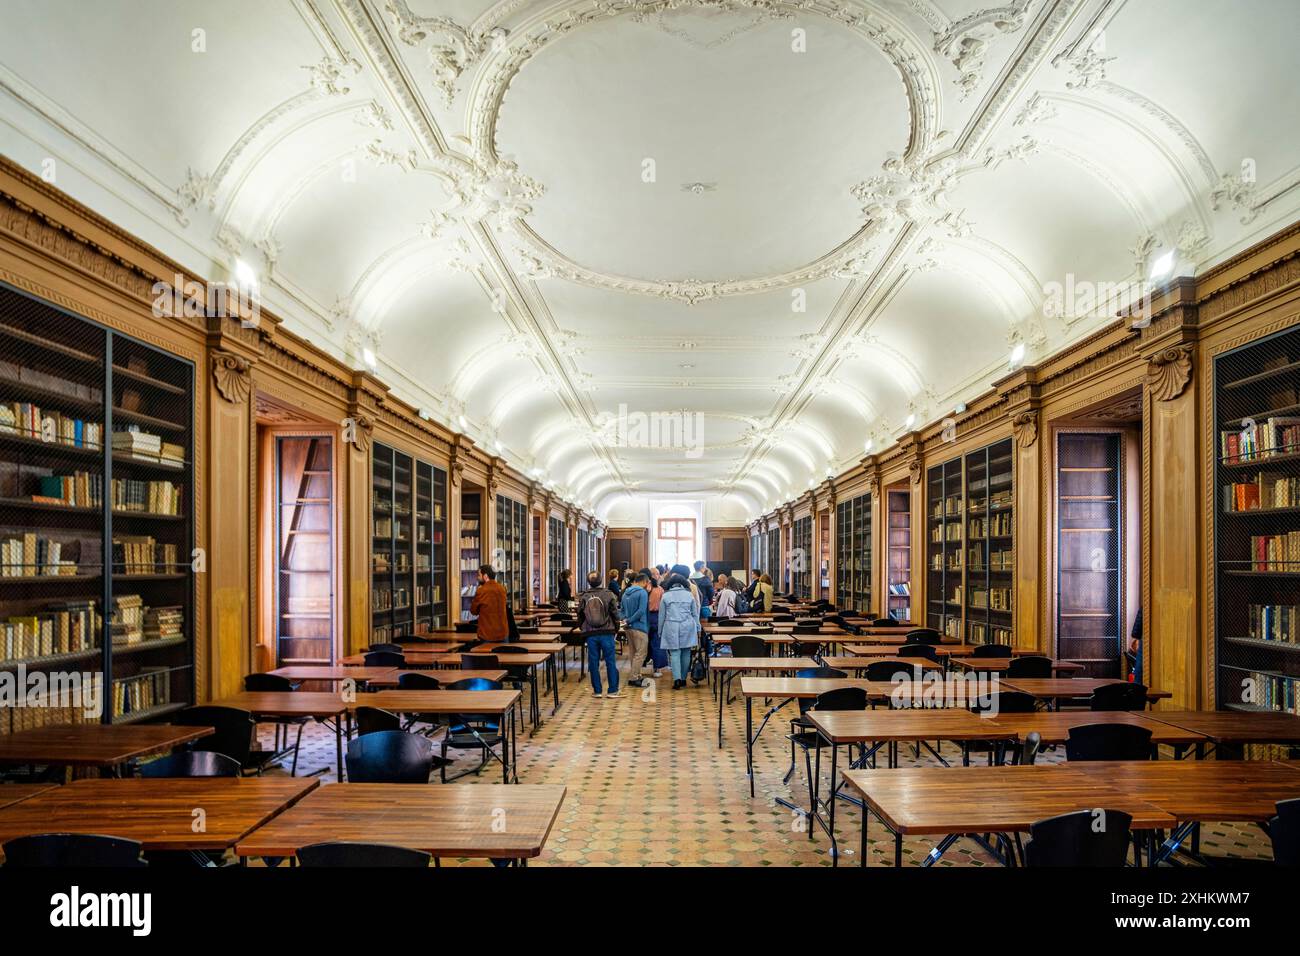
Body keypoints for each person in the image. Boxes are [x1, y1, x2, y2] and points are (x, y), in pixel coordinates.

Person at [579, 570, 621, 698]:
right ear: (601, 580)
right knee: (610, 661)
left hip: (591, 632)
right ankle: (613, 690)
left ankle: (597, 691)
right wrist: (616, 627)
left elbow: (580, 614)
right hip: (607, 631)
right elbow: (615, 613)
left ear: (588, 582)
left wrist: (582, 627)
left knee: (593, 662)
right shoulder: (609, 594)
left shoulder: (584, 596)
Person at [659, 565, 700, 689]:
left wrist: (660, 631)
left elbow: (662, 615)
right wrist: (698, 628)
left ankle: (676, 679)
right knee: (686, 652)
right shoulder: (689, 595)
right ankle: (683, 679)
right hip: (688, 625)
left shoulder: (665, 596)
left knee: (675, 653)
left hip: (671, 625)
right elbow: (695, 613)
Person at [620, 572, 650, 687]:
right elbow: (641, 611)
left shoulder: (625, 592)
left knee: (633, 652)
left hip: (628, 627)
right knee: (641, 652)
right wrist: (630, 620)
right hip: (639, 626)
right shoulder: (642, 593)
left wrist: (625, 620)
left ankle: (636, 675)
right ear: (644, 582)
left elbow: (621, 610)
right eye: (647, 583)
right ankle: (634, 677)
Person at [470, 564, 508, 643]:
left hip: (487, 634)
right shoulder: (502, 589)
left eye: (479, 575)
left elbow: (473, 611)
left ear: (485, 576)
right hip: (503, 633)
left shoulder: (481, 590)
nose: (478, 577)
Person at [646, 569, 666, 677]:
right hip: (657, 616)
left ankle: (641, 667)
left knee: (645, 643)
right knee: (657, 643)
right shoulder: (660, 590)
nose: (658, 575)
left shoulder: (645, 588)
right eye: (657, 574)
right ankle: (657, 669)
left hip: (646, 617)